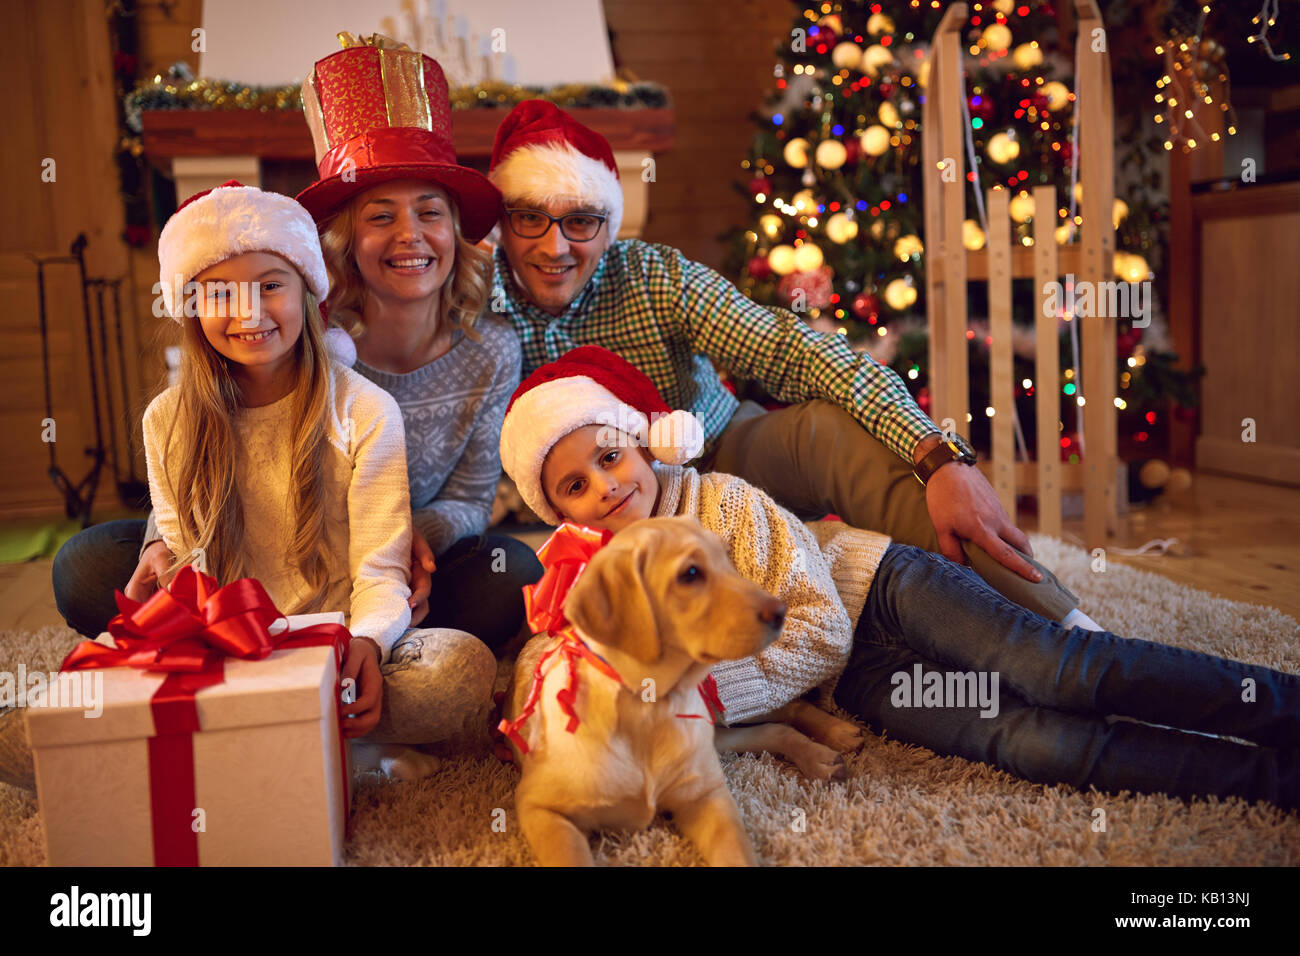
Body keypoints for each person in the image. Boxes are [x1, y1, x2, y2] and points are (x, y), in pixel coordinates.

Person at [496, 346, 1300, 811]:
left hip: (880, 591)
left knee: (1056, 669)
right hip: (863, 683)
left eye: (610, 456)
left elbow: (815, 629)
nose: (605, 485)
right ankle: (1266, 778)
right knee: (1020, 738)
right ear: (561, 511)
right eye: (575, 485)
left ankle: (1281, 707)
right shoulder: (604, 587)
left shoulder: (725, 502)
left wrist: (693, 694)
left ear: (644, 445)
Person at [485, 100, 1096, 630]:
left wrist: (937, 456)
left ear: (609, 225)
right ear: (503, 224)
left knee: (826, 434)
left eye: (581, 221)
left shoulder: (654, 275)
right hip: (585, 511)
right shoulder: (467, 299)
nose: (555, 247)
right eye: (530, 217)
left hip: (720, 450)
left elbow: (793, 351)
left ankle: (1061, 622)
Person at [50, 41, 541, 654]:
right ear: (346, 239)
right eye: (381, 216)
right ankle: (275, 628)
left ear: (455, 231)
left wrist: (416, 534)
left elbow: (470, 496)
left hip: (402, 561)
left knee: (510, 572)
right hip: (259, 548)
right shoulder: (291, 333)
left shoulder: (490, 351)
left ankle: (376, 640)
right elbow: (198, 463)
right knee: (88, 565)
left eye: (430, 212)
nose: (410, 235)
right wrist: (160, 542)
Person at [2, 182, 494, 790]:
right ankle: (303, 738)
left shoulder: (366, 410)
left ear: (308, 291)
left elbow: (379, 570)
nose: (249, 313)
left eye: (270, 284)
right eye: (219, 292)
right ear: (190, 306)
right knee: (38, 720)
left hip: (334, 639)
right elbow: (185, 568)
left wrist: (368, 639)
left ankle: (272, 736)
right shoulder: (168, 421)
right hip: (228, 652)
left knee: (457, 670)